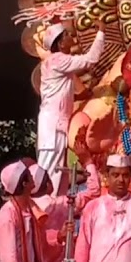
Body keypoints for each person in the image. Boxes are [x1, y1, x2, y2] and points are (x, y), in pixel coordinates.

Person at [36, 21, 107, 191]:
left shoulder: (54, 62)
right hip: (53, 124)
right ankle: (45, 209)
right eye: (67, 35)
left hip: (55, 122)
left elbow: (59, 92)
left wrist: (81, 95)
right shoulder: (58, 60)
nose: (71, 36)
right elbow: (91, 59)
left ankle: (54, 209)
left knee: (59, 175)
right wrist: (101, 32)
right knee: (50, 172)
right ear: (60, 44)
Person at [0, 161, 47, 262]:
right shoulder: (7, 214)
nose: (33, 177)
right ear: (24, 183)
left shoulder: (31, 209)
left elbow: (41, 246)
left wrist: (59, 238)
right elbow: (8, 259)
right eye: (30, 175)